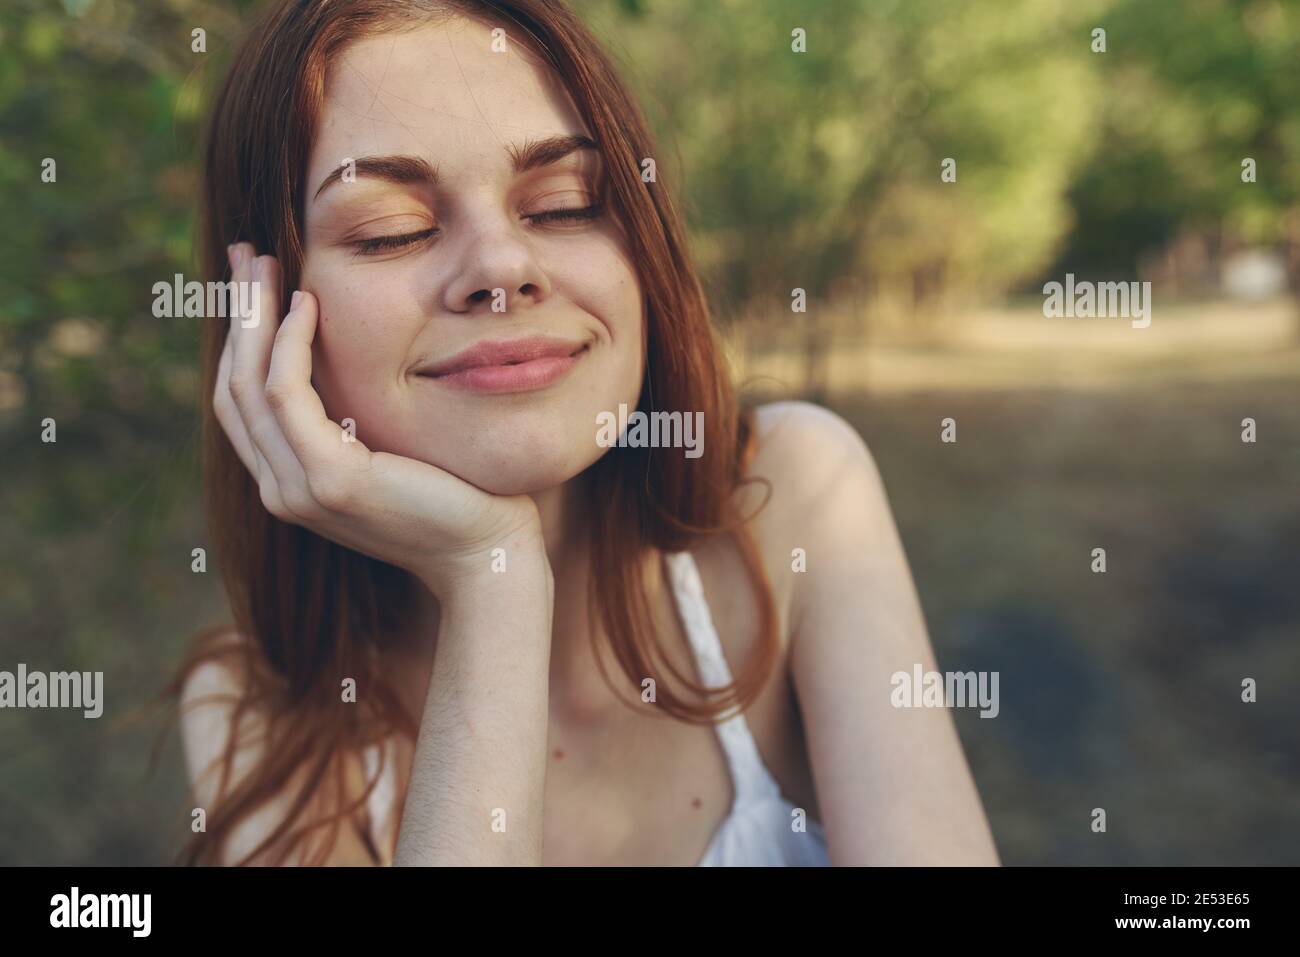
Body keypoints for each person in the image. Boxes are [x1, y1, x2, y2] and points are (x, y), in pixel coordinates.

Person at [169, 0, 999, 867]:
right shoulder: (256, 710)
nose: (502, 267)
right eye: (394, 230)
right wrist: (490, 583)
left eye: (564, 205)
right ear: (260, 319)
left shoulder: (797, 497)